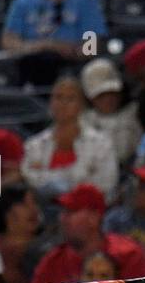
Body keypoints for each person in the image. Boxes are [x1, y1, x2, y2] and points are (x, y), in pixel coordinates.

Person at [25, 183, 145, 283]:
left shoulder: (128, 256)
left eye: (71, 212)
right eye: (63, 212)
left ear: (94, 217)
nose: (63, 218)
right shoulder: (53, 261)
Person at [0, 0, 108, 87]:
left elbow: (91, 46)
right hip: (30, 65)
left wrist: (66, 50)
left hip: (72, 67)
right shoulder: (24, 1)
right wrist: (41, 46)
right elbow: (8, 41)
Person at [22, 75, 119, 203]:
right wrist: (80, 178)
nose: (63, 104)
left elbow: (106, 183)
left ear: (82, 105)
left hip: (87, 209)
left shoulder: (101, 143)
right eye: (58, 97)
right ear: (51, 102)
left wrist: (53, 181)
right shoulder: (34, 145)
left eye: (70, 99)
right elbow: (28, 179)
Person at [0, 183, 46, 283]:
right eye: (24, 204)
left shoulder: (49, 248)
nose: (34, 209)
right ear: (7, 212)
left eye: (35, 203)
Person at [80, 57, 141, 165]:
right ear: (89, 98)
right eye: (101, 95)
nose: (109, 99)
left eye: (112, 92)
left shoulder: (136, 112)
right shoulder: (82, 122)